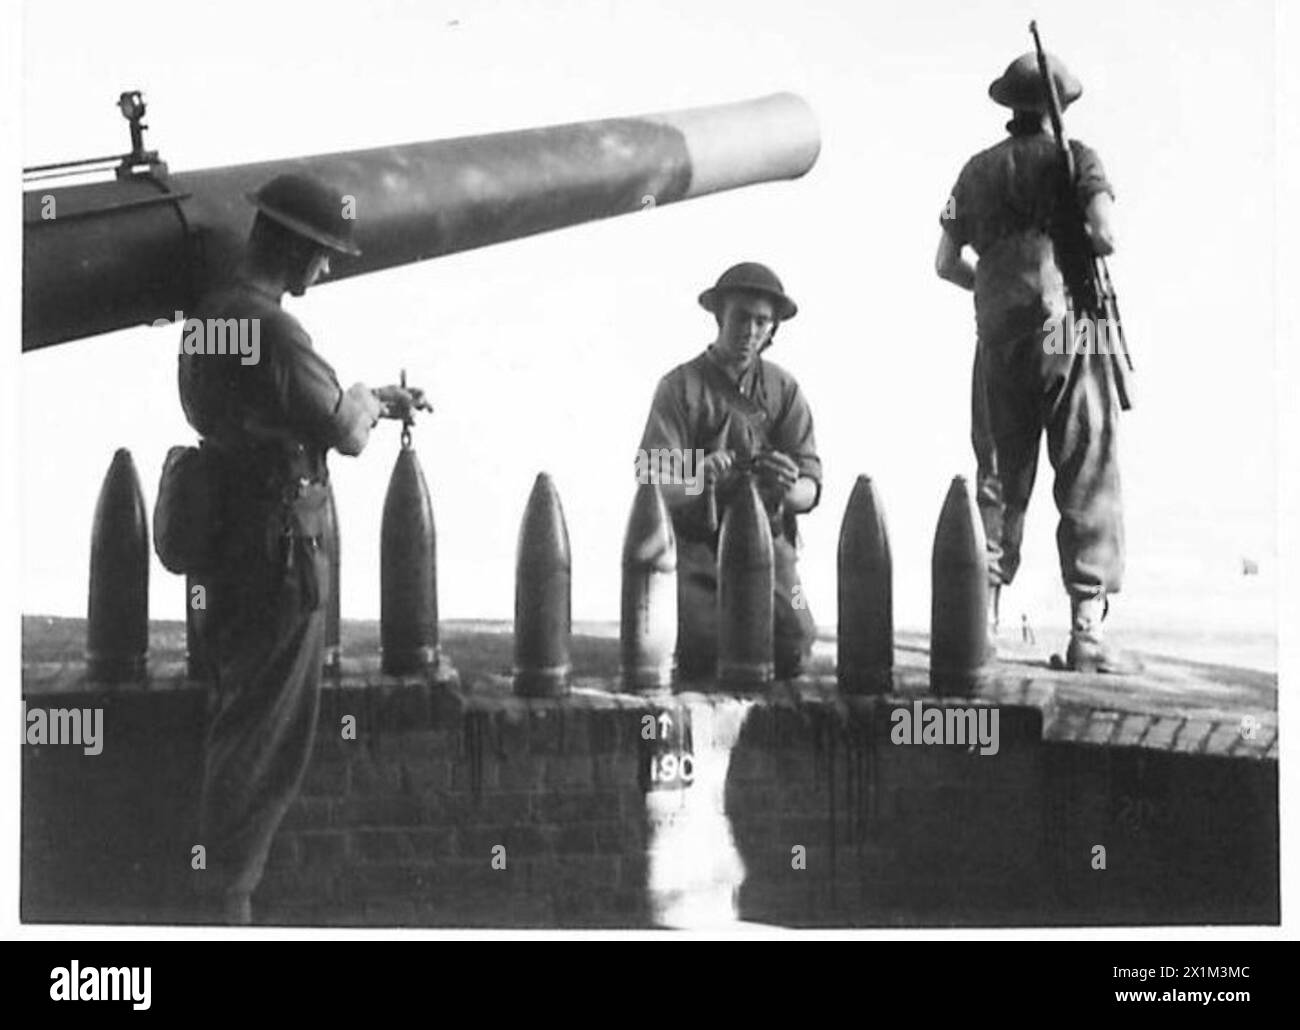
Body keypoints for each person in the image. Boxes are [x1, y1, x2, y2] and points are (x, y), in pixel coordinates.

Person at [179, 172, 425, 923]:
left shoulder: (208, 318)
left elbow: (276, 410)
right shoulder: (277, 330)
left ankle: (220, 888)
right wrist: (368, 399)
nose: (327, 266)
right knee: (267, 735)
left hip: (225, 546)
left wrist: (365, 400)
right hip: (279, 554)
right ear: (289, 245)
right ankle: (227, 904)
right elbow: (344, 433)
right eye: (321, 252)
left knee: (236, 715)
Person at [935, 51, 1137, 673]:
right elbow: (1105, 236)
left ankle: (982, 627)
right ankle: (1087, 635)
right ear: (1061, 106)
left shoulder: (973, 172)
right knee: (1088, 466)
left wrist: (998, 289)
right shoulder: (1077, 158)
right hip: (1070, 330)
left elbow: (945, 264)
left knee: (998, 473)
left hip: (997, 337)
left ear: (1010, 108)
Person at [636, 262, 822, 680]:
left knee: (795, 641)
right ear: (720, 315)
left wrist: (788, 485)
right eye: (741, 317)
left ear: (773, 328)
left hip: (769, 550)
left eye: (762, 322)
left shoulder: (784, 390)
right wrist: (699, 476)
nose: (750, 331)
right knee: (701, 647)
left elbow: (810, 488)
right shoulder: (679, 387)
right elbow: (652, 484)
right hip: (695, 548)